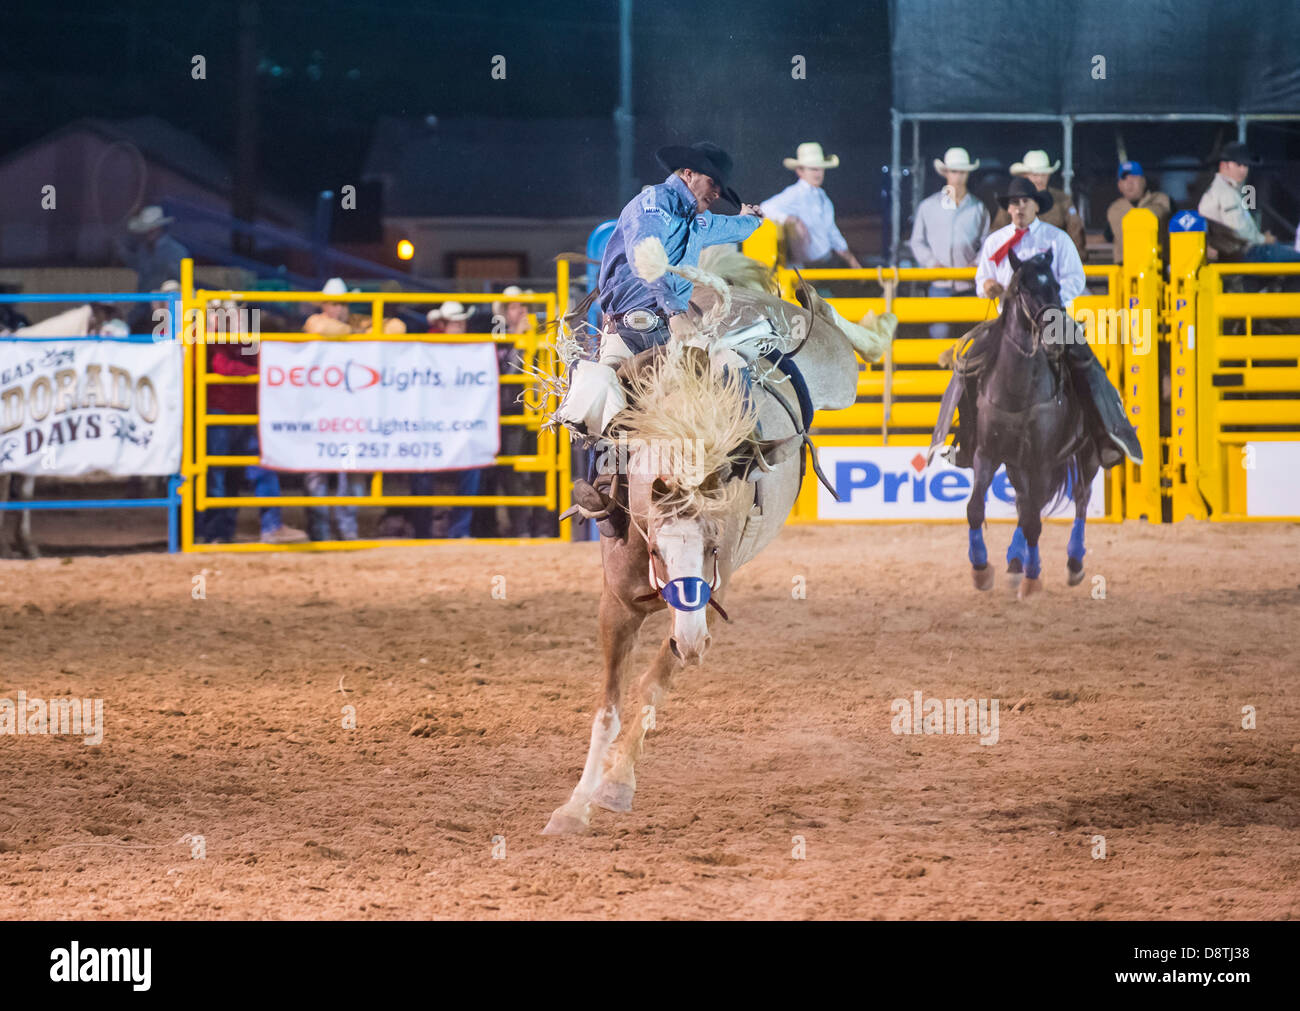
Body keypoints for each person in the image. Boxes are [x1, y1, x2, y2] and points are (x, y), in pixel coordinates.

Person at [560, 140, 763, 536]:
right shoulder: (651, 205)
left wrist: (750, 219)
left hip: (658, 326)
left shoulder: (695, 219)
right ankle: (605, 491)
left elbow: (725, 226)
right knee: (600, 392)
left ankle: (734, 468)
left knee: (729, 372)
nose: (717, 192)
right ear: (687, 174)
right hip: (636, 327)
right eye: (712, 182)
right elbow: (645, 255)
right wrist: (674, 313)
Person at [943, 176, 1142, 470]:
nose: (1019, 207)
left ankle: (1106, 434)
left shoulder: (1056, 239)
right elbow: (982, 279)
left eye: (1025, 201)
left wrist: (1048, 300)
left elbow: (1075, 278)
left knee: (1086, 364)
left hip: (1052, 319)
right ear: (1008, 209)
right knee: (969, 363)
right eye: (1014, 203)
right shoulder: (996, 242)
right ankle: (965, 438)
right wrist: (987, 286)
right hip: (1006, 323)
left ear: (1036, 206)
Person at [202, 299, 308, 545]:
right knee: (220, 475)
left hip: (245, 412)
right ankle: (218, 532)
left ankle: (265, 526)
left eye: (237, 309)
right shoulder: (212, 335)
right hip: (223, 411)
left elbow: (252, 361)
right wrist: (260, 374)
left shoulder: (244, 335)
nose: (236, 313)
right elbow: (222, 366)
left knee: (252, 470)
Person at [409, 300, 482, 538]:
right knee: (423, 475)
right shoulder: (427, 348)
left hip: (457, 423)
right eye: (455, 322)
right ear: (442, 324)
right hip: (431, 423)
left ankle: (459, 528)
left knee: (470, 469)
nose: (460, 326)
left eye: (462, 322)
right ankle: (424, 530)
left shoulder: (470, 349)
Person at [303, 278, 369, 540]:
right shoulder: (316, 323)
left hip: (348, 412)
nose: (338, 308)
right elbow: (321, 328)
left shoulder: (352, 324)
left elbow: (397, 327)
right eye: (334, 303)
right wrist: (358, 335)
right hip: (319, 409)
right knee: (317, 472)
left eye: (342, 303)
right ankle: (320, 530)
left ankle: (347, 527)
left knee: (349, 471)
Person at [910, 147, 990, 338]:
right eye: (955, 171)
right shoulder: (928, 207)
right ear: (946, 173)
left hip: (969, 284)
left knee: (971, 340)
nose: (959, 177)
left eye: (962, 172)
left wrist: (977, 263)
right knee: (940, 335)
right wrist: (932, 263)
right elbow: (917, 241)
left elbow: (987, 242)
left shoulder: (979, 208)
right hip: (940, 284)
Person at [491, 286, 547, 537]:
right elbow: (508, 375)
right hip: (511, 412)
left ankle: (543, 527)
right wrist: (523, 345)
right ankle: (520, 527)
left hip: (538, 414)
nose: (522, 310)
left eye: (524, 305)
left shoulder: (541, 337)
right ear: (505, 313)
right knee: (513, 473)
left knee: (540, 473)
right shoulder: (500, 341)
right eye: (515, 306)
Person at [760, 142, 861, 269]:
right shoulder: (795, 193)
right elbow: (765, 207)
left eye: (820, 168)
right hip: (805, 266)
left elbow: (832, 232)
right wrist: (790, 219)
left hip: (824, 262)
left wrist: (850, 259)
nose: (817, 173)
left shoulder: (822, 197)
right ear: (800, 171)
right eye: (813, 168)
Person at [1198, 142, 1300, 263]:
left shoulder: (1224, 190)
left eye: (1246, 165)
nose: (1243, 170)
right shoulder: (1225, 193)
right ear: (1224, 165)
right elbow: (1238, 231)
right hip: (1245, 253)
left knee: (1291, 249)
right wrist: (1263, 239)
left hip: (1243, 251)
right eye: (1239, 164)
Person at [991, 150, 1087, 258]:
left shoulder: (1063, 200)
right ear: (1024, 176)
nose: (1040, 179)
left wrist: (1074, 259)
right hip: (1019, 262)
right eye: (1035, 175)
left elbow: (1076, 234)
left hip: (1055, 263)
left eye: (1044, 174)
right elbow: (998, 234)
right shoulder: (1012, 202)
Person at [114, 206, 190, 332]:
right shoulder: (144, 249)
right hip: (143, 306)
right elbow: (138, 265)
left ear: (157, 229)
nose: (146, 234)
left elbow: (180, 282)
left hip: (166, 307)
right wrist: (121, 251)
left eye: (149, 230)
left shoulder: (176, 252)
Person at [1105, 161, 1173, 264]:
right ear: (1119, 185)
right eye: (1124, 178)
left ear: (1144, 181)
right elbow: (1106, 236)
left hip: (1158, 267)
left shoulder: (1163, 200)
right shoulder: (1115, 209)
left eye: (1134, 177)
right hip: (1125, 269)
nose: (1129, 182)